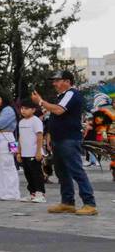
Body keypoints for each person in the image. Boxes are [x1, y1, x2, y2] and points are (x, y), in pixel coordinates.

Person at [31, 70, 97, 215]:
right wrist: (49, 135)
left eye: (57, 80)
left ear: (67, 81)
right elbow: (54, 116)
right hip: (59, 139)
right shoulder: (62, 96)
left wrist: (41, 101)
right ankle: (67, 202)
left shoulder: (71, 94)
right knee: (62, 172)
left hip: (69, 139)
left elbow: (59, 111)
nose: (54, 83)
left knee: (76, 171)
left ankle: (90, 203)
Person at [16, 101, 46, 202]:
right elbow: (20, 137)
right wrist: (19, 152)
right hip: (24, 153)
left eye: (26, 108)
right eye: (22, 108)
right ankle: (32, 193)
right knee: (28, 174)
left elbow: (40, 136)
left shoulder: (36, 121)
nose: (23, 110)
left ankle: (40, 193)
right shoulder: (21, 122)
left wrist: (38, 151)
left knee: (36, 174)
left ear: (33, 110)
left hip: (34, 153)